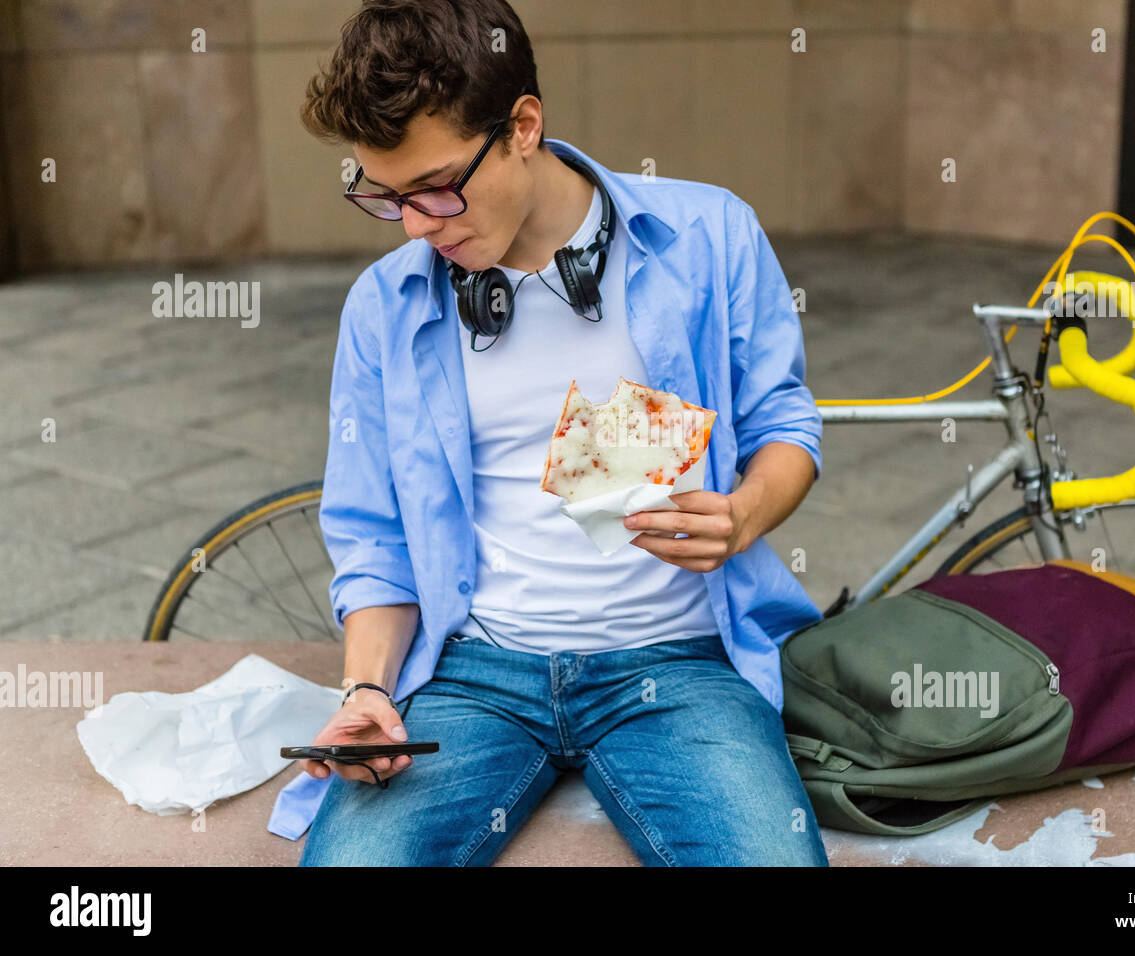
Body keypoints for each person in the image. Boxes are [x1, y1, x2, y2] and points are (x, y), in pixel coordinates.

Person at [272, 0, 829, 866]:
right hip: (474, 676)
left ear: (524, 125)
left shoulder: (709, 234)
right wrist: (368, 690)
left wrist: (746, 514)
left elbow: (785, 424)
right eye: (387, 198)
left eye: (438, 185)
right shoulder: (385, 305)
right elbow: (374, 538)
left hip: (680, 666)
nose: (419, 225)